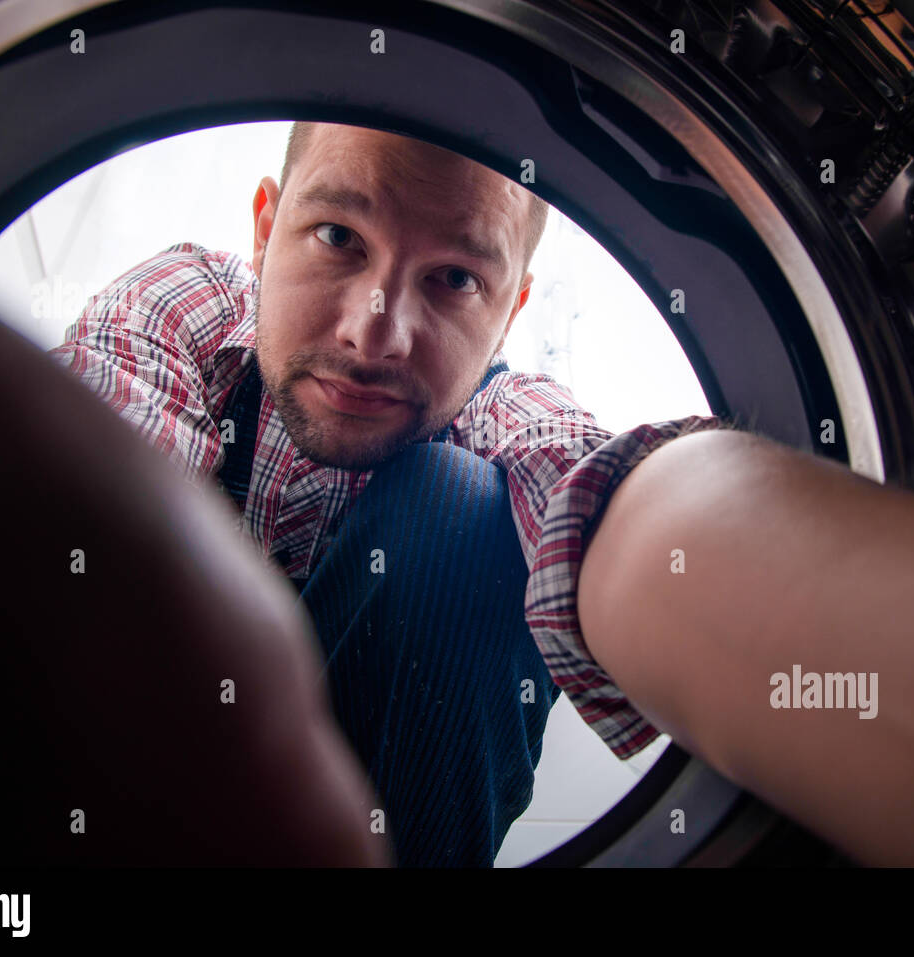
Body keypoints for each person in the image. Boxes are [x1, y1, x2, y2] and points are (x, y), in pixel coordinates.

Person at [49, 120, 726, 867]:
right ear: (266, 230)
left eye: (456, 279)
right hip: (135, 798)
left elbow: (588, 476)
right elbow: (97, 540)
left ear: (509, 317)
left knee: (464, 509)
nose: (374, 336)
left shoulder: (499, 407)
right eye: (339, 237)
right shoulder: (187, 307)